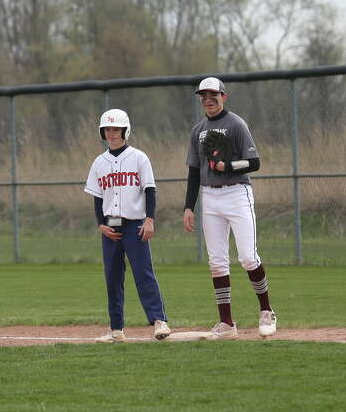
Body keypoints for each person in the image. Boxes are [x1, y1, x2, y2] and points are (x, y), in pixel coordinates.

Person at [182, 77, 277, 339]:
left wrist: (229, 166)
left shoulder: (236, 124)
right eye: (203, 96)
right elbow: (193, 171)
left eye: (213, 94)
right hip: (209, 197)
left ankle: (267, 310)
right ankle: (226, 324)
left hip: (237, 193)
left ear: (224, 96)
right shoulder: (197, 130)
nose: (208, 100)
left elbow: (254, 162)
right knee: (217, 262)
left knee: (247, 257)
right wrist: (189, 207)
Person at [84, 108, 171, 343]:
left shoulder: (139, 157)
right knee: (112, 277)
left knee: (143, 273)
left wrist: (150, 220)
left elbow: (149, 190)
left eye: (116, 129)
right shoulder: (99, 162)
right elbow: (98, 197)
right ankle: (116, 330)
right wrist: (101, 224)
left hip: (135, 224)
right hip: (111, 226)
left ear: (125, 130)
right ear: (102, 132)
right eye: (107, 129)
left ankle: (159, 320)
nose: (112, 133)